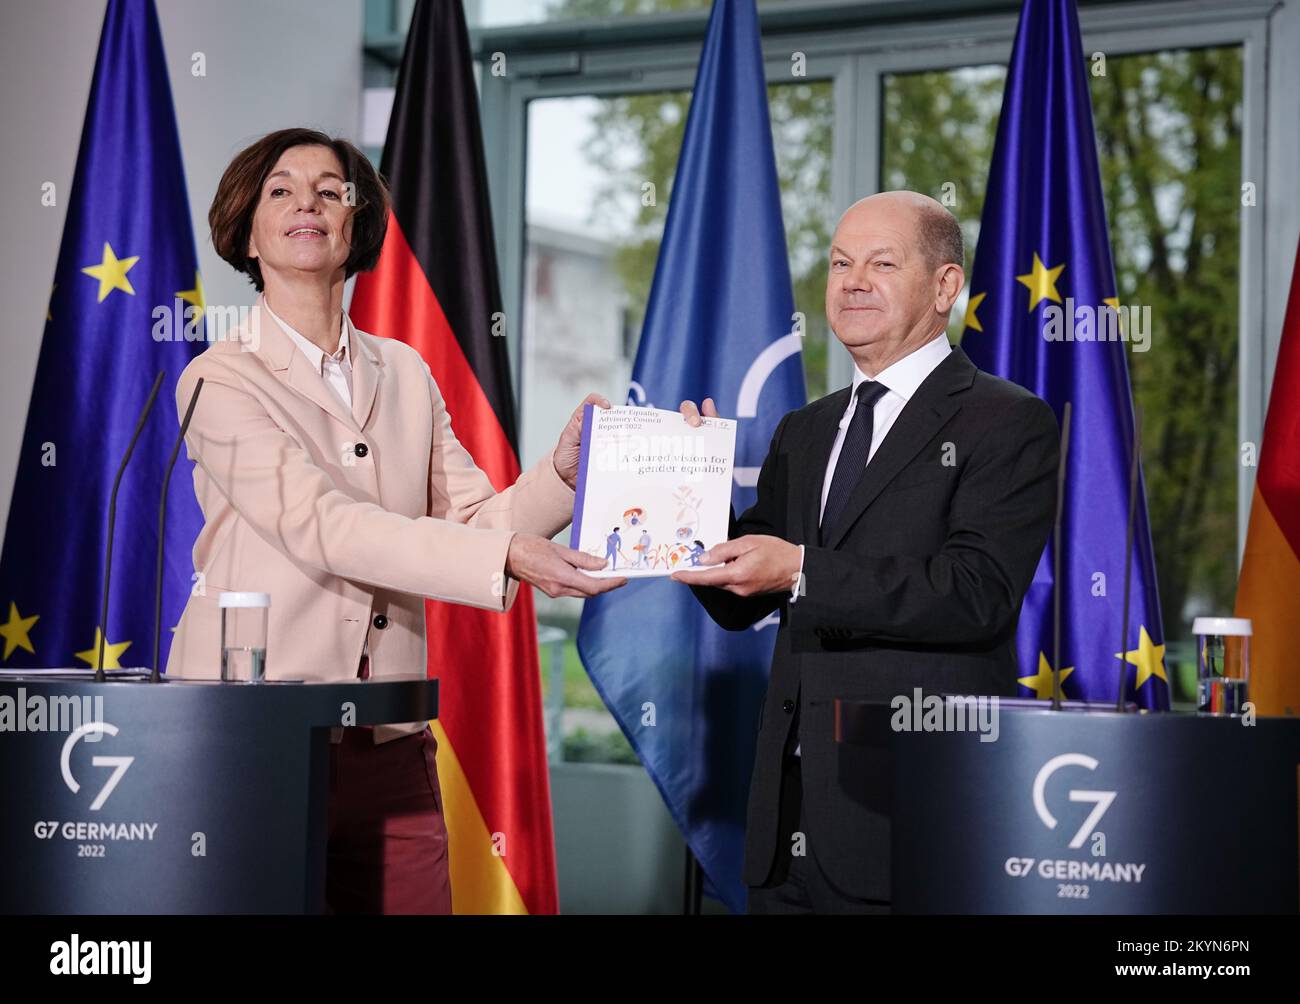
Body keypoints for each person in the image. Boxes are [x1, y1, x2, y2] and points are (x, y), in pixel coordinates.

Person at [166, 128, 627, 914]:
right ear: (247, 228)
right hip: (258, 730)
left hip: (389, 735)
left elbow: (478, 516)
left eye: (330, 188)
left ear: (358, 224)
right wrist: (509, 555)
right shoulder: (218, 378)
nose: (307, 201)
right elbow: (326, 526)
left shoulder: (406, 369)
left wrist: (561, 477)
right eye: (280, 189)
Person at [672, 191, 1059, 913]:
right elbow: (740, 594)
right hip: (784, 821)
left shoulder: (1008, 420)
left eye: (882, 264)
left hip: (912, 817)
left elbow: (976, 592)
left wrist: (802, 569)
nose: (853, 282)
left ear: (946, 286)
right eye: (840, 263)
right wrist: (684, 500)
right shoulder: (804, 429)